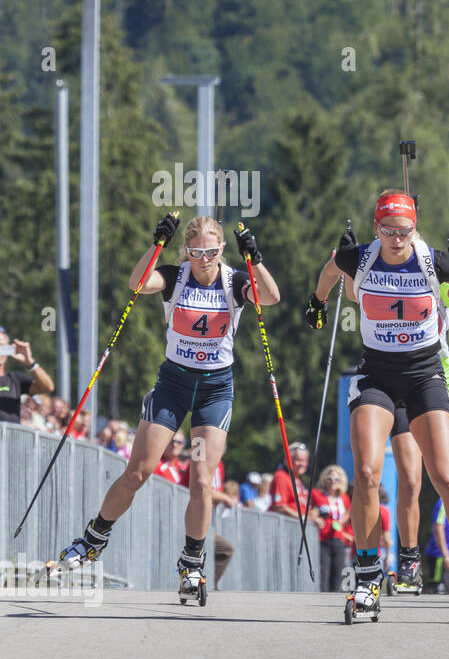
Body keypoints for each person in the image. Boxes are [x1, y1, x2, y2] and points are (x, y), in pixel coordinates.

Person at [50, 214, 278, 605]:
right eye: (194, 251)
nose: (202, 258)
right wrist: (156, 244)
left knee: (202, 480)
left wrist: (255, 258)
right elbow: (137, 284)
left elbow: (271, 297)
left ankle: (192, 562)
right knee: (138, 471)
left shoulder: (235, 280)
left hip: (213, 391)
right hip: (173, 386)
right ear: (186, 250)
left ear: (221, 249)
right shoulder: (176, 276)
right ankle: (93, 539)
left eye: (209, 251)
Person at [307, 189, 449, 619]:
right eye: (387, 230)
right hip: (376, 375)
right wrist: (317, 304)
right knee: (365, 473)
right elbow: (328, 271)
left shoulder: (432, 260)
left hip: (424, 375)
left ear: (414, 228)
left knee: (446, 477)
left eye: (404, 231)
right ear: (375, 227)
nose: (396, 239)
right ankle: (366, 576)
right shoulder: (358, 258)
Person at [344, 244, 449, 595]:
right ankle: (408, 559)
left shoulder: (431, 273)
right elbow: (354, 294)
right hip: (386, 378)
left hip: (436, 376)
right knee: (409, 478)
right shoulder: (379, 273)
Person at [311, 465, 354, 592]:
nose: (333, 482)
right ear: (324, 480)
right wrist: (316, 518)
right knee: (324, 572)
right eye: (329, 479)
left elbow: (348, 512)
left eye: (336, 479)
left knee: (337, 573)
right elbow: (310, 512)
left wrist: (342, 526)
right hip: (323, 539)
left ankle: (333, 601)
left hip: (339, 540)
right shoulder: (317, 495)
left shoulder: (344, 498)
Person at [0, 328, 54, 425]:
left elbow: (47, 387)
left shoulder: (14, 378)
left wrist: (30, 363)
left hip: (10, 439)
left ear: (9, 349)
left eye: (2, 347)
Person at [270, 443, 310, 519]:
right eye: (298, 460)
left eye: (304, 461)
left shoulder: (298, 479)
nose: (302, 464)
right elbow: (279, 507)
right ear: (288, 460)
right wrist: (303, 518)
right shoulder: (281, 477)